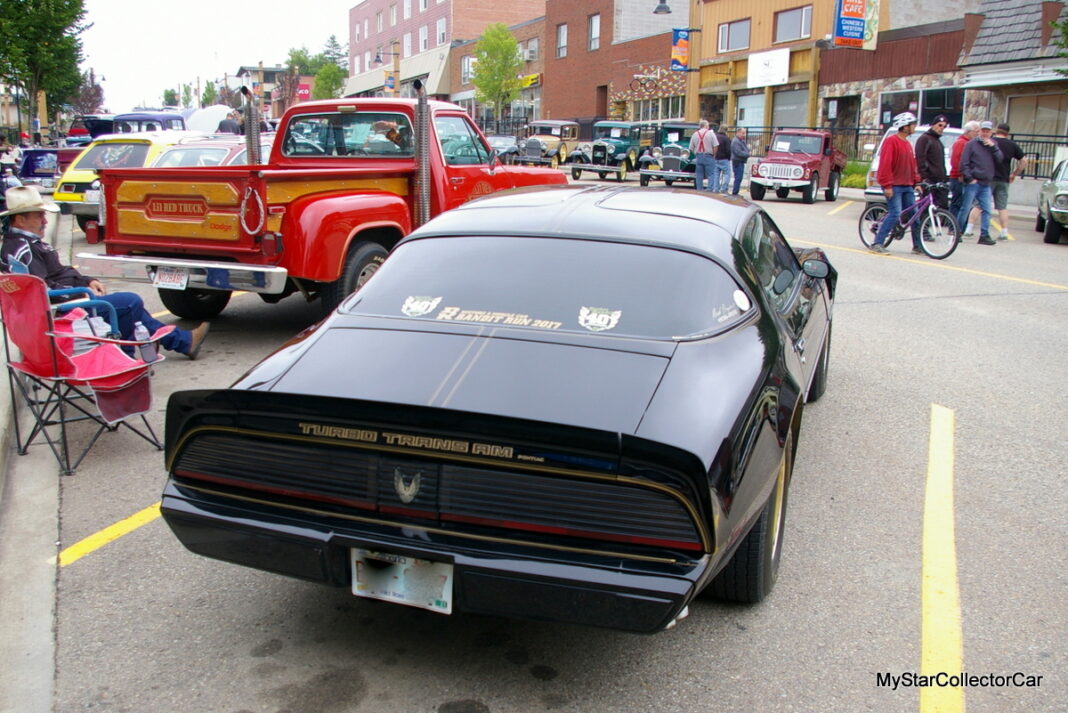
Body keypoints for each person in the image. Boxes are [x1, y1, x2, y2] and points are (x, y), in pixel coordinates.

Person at [0, 186, 210, 359]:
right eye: (39, 216)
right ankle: (135, 354)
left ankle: (176, 343)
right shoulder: (22, 250)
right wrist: (82, 294)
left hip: (60, 307)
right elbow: (42, 291)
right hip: (62, 313)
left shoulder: (23, 244)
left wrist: (87, 280)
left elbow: (59, 272)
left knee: (130, 309)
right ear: (20, 220)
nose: (45, 221)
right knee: (131, 302)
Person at [870, 112, 923, 255]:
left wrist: (916, 181)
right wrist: (887, 185)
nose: (915, 127)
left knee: (914, 214)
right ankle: (878, 242)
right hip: (894, 185)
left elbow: (912, 165)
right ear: (904, 126)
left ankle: (918, 245)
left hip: (906, 185)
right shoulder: (891, 141)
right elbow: (885, 164)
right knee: (895, 213)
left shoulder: (907, 143)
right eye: (912, 124)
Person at [958, 121, 1003, 246]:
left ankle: (984, 235)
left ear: (991, 132)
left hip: (986, 182)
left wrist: (993, 147)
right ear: (979, 131)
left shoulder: (994, 144)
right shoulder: (971, 144)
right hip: (974, 182)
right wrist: (969, 177)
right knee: (965, 208)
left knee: (987, 209)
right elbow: (964, 163)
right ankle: (958, 232)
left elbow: (1000, 159)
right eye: (983, 130)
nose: (985, 133)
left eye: (987, 131)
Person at [991, 123, 1027, 240]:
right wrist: (1014, 174)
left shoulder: (990, 142)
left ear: (996, 131)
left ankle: (969, 229)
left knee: (979, 205)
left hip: (988, 178)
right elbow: (1024, 161)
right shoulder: (1012, 145)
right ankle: (1004, 232)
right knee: (1002, 207)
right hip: (1004, 178)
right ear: (1008, 133)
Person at [949, 120, 978, 221]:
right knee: (957, 202)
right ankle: (953, 226)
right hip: (958, 178)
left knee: (964, 203)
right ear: (969, 131)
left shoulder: (969, 143)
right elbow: (956, 160)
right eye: (976, 131)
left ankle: (959, 225)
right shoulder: (961, 143)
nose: (977, 133)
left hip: (966, 177)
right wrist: (960, 174)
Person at [915, 114, 949, 184]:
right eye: (940, 125)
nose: (942, 128)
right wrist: (925, 177)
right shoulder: (925, 139)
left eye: (944, 126)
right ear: (933, 125)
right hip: (929, 180)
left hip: (939, 180)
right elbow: (920, 159)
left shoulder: (938, 141)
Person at [688, 119, 718, 192]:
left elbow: (691, 148)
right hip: (709, 155)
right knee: (711, 173)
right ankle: (710, 189)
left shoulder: (695, 134)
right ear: (706, 126)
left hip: (699, 156)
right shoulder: (711, 133)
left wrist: (696, 153)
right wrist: (714, 155)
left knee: (699, 174)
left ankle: (699, 189)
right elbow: (715, 146)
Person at [730, 127, 750, 195]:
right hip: (737, 162)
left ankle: (736, 192)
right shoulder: (735, 141)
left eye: (745, 133)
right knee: (738, 178)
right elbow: (738, 152)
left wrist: (747, 153)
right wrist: (747, 154)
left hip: (741, 162)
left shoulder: (742, 141)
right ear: (738, 132)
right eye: (742, 133)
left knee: (739, 178)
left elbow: (746, 149)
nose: (744, 135)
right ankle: (735, 192)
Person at [713, 124, 731, 193]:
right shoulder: (726, 139)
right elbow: (728, 150)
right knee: (727, 174)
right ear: (726, 130)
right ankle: (724, 188)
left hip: (716, 158)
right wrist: (728, 158)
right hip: (724, 158)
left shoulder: (715, 137)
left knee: (716, 174)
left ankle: (716, 188)